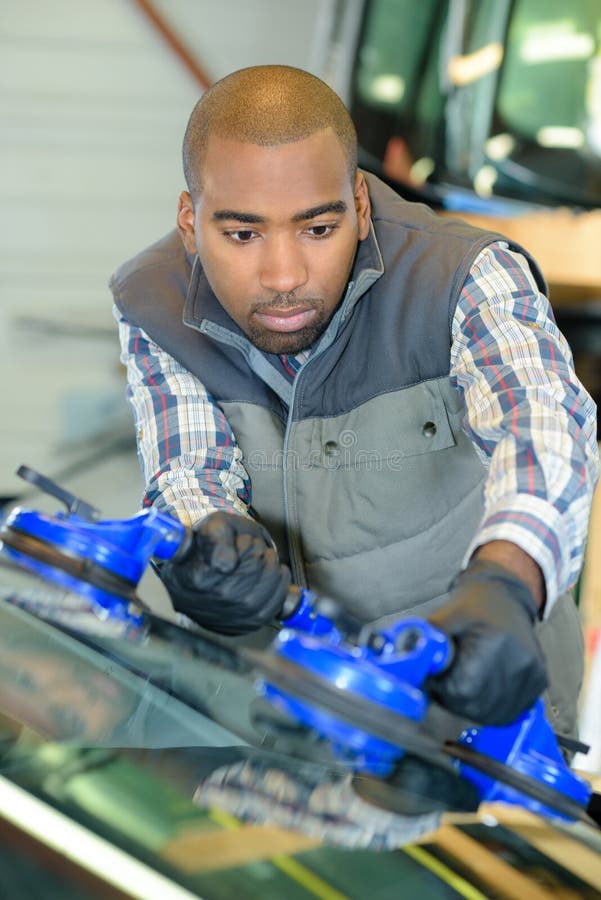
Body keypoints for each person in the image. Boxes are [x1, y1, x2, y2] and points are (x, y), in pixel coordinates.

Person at [110, 65, 599, 738]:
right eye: (243, 234)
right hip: (286, 716)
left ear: (361, 207)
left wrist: (509, 580)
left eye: (317, 229)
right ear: (191, 224)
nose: (284, 278)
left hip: (480, 715)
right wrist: (206, 536)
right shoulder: (151, 304)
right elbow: (185, 470)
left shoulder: (463, 274)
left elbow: (545, 424)